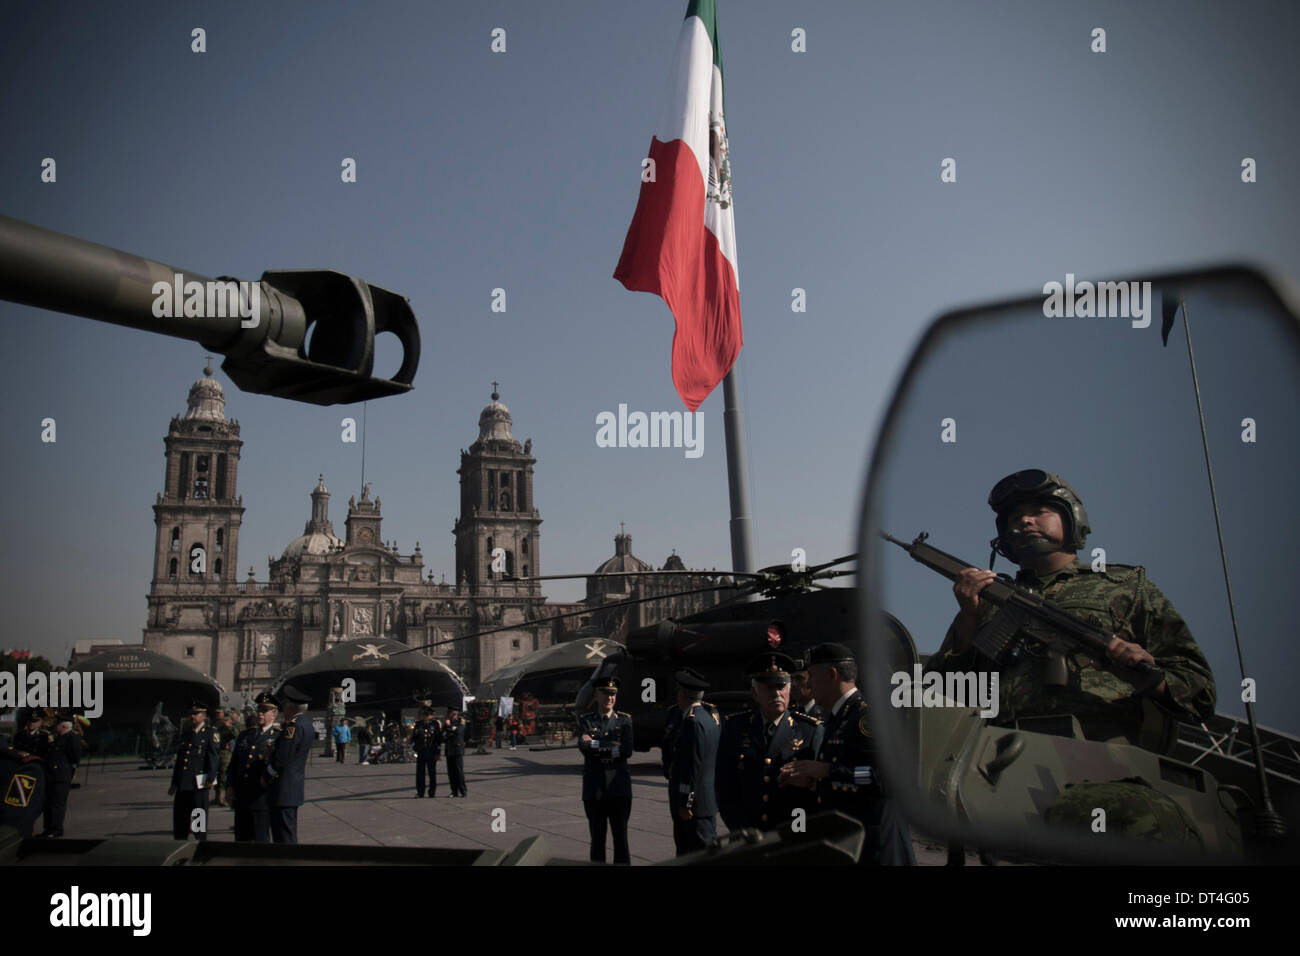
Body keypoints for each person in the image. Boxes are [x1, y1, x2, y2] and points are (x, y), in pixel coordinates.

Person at [928, 469, 1217, 840]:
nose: (1025, 521)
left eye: (1040, 510)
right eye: (1015, 517)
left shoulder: (1125, 587)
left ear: (1072, 519)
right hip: (995, 762)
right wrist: (968, 617)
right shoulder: (988, 604)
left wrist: (1145, 673)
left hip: (1099, 764)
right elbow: (941, 694)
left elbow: (1200, 692)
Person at [783, 643, 916, 865]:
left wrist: (828, 771)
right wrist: (812, 781)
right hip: (852, 844)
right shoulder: (841, 716)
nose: (808, 683)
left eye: (811, 676)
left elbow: (886, 779)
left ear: (831, 675)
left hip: (876, 849)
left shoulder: (867, 718)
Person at [717, 653, 823, 833]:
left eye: (781, 687)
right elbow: (724, 787)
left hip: (794, 833)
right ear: (755, 694)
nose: (776, 693)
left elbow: (819, 791)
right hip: (749, 834)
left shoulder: (810, 731)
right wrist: (740, 829)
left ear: (789, 690)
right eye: (769, 688)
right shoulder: (735, 728)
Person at [577, 675, 634, 864]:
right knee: (597, 841)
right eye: (605, 694)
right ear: (596, 695)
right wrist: (611, 748)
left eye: (613, 694)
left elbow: (626, 750)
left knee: (621, 840)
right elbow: (583, 748)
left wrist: (595, 744)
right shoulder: (586, 721)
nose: (610, 698)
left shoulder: (625, 721)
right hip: (595, 791)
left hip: (619, 790)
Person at [664, 667, 720, 856]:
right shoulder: (710, 717)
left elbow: (691, 767)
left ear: (683, 694)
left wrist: (685, 802)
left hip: (694, 807)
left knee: (690, 854)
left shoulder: (691, 722)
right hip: (706, 802)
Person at [225, 692, 281, 842]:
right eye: (259, 710)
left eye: (265, 711)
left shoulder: (277, 737)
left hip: (261, 799)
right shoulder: (245, 736)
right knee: (241, 840)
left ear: (274, 714)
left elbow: (278, 767)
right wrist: (229, 786)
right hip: (242, 797)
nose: (260, 714)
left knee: (260, 841)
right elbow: (234, 763)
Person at [264, 684, 313, 844]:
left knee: (283, 835)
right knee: (286, 831)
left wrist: (267, 774)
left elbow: (283, 757)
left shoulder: (293, 726)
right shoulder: (306, 723)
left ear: (290, 707)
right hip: (292, 788)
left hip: (284, 788)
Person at [169, 701, 219, 841]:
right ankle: (180, 844)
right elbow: (180, 761)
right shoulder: (186, 734)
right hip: (183, 784)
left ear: (203, 716)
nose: (192, 716)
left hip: (199, 784)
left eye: (196, 714)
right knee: (180, 819)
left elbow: (214, 757)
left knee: (198, 819)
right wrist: (174, 783)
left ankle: (200, 846)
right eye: (191, 713)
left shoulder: (210, 733)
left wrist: (210, 778)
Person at [39, 713, 82, 838]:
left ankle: (56, 829)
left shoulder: (72, 737)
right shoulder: (58, 738)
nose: (54, 727)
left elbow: (75, 757)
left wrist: (73, 771)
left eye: (57, 724)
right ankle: (48, 828)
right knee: (48, 803)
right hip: (51, 774)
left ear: (63, 726)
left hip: (61, 775)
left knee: (57, 803)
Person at [411, 707, 444, 797]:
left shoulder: (435, 724)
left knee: (432, 773)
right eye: (424, 715)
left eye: (427, 715)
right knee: (420, 774)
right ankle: (420, 792)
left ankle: (432, 792)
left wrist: (437, 753)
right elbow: (414, 737)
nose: (425, 717)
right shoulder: (418, 724)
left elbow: (438, 739)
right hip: (421, 751)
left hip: (431, 752)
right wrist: (415, 748)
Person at [213, 710, 238, 806]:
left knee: (224, 775)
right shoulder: (216, 725)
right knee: (216, 775)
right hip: (216, 752)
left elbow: (236, 735)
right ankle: (218, 796)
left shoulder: (231, 726)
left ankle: (222, 797)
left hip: (225, 753)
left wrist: (229, 726)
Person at [442, 705, 467, 797]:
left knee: (459, 771)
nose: (450, 715)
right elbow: (443, 735)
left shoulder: (461, 721)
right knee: (451, 772)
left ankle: (463, 790)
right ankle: (454, 791)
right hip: (449, 749)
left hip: (457, 749)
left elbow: (459, 731)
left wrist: (450, 726)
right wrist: (448, 728)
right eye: (449, 713)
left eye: (452, 713)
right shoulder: (447, 723)